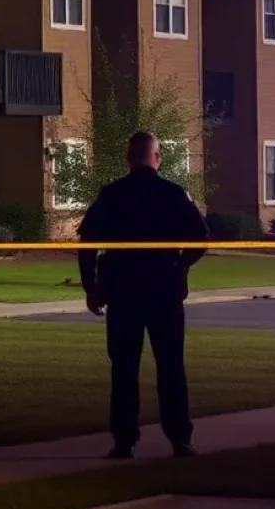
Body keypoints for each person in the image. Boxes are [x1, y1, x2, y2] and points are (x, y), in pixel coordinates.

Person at [76, 131, 210, 460]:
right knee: (171, 366)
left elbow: (87, 244)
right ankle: (180, 438)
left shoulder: (112, 195)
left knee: (123, 369)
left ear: (128, 158)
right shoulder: (174, 194)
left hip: (123, 292)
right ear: (157, 158)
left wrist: (91, 286)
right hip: (164, 290)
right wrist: (180, 264)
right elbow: (201, 238)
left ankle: (124, 440)